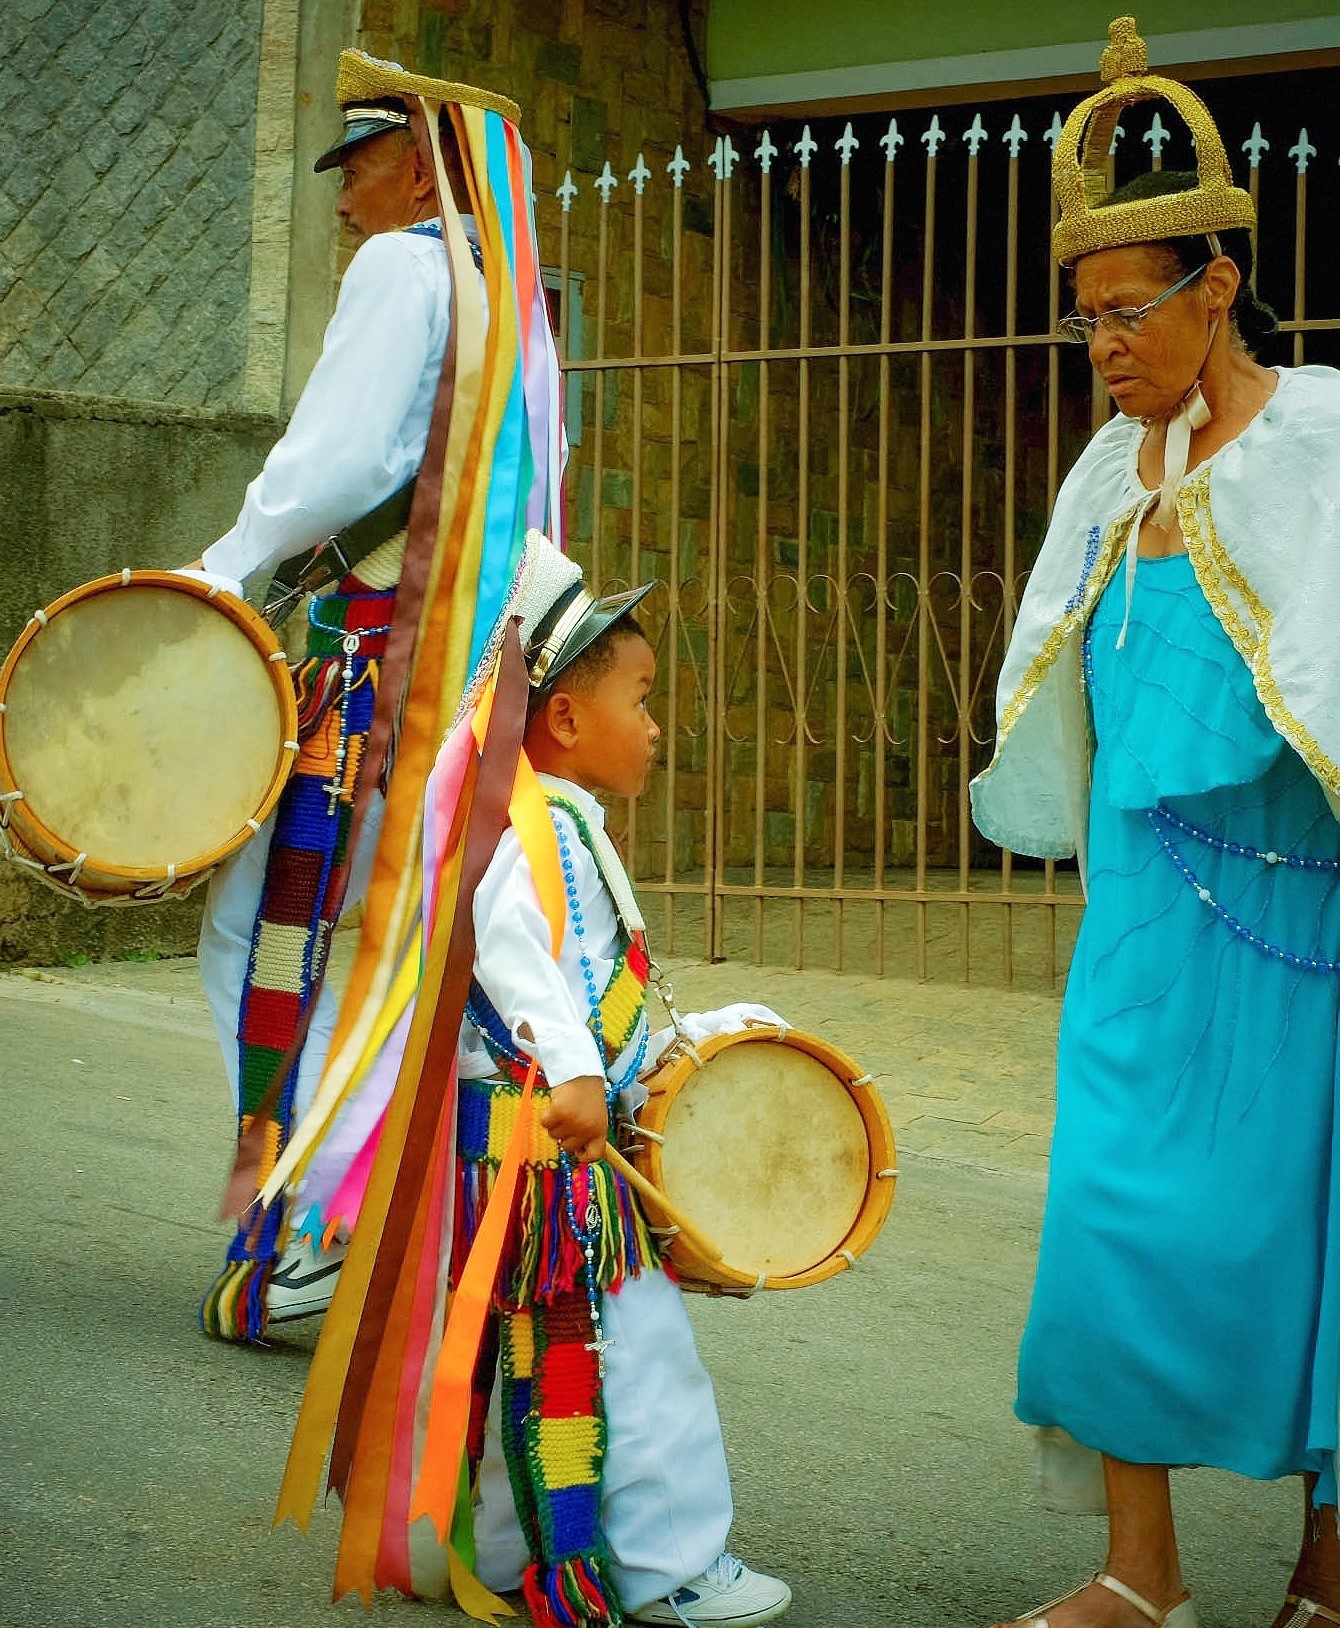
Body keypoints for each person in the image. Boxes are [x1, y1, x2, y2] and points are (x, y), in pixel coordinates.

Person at [970, 19, 1340, 1628]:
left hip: (1310, 912)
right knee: (1110, 1209)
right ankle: (1139, 1570)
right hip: (1150, 923)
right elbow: (1073, 687)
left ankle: (1328, 1569)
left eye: (1127, 312)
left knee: (1317, 1225)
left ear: (1216, 288)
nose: (1101, 346)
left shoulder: (1324, 440)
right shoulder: (1110, 474)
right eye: (1084, 319)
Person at [274, 535, 793, 1628]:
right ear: (562, 718)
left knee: (538, 1346)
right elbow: (514, 949)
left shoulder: (543, 820)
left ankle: (488, 1547)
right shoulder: (540, 825)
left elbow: (578, 973)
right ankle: (669, 1565)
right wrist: (571, 1068)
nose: (655, 724)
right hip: (548, 1153)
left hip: (524, 1139)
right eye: (641, 698)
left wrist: (690, 1037)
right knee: (634, 1358)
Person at [182, 51, 563, 1341]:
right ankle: (403, 1233)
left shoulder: (404, 266)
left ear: (418, 165)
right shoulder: (512, 298)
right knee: (425, 947)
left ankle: (306, 1227)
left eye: (359, 168)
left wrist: (221, 569)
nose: (343, 200)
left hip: (383, 660)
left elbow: (336, 462)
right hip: (480, 663)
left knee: (266, 933)